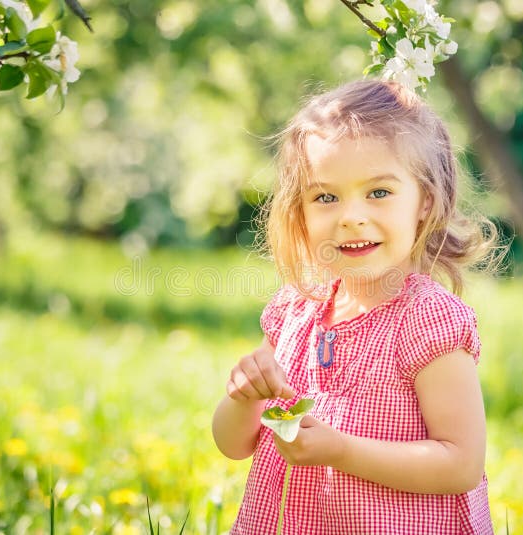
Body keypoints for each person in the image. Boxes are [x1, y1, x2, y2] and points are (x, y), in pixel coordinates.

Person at [212, 79, 502, 534]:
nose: (351, 216)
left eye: (379, 192)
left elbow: (461, 463)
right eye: (326, 197)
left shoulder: (426, 321)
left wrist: (341, 451)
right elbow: (234, 445)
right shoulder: (297, 310)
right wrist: (244, 396)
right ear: (300, 210)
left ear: (425, 201)